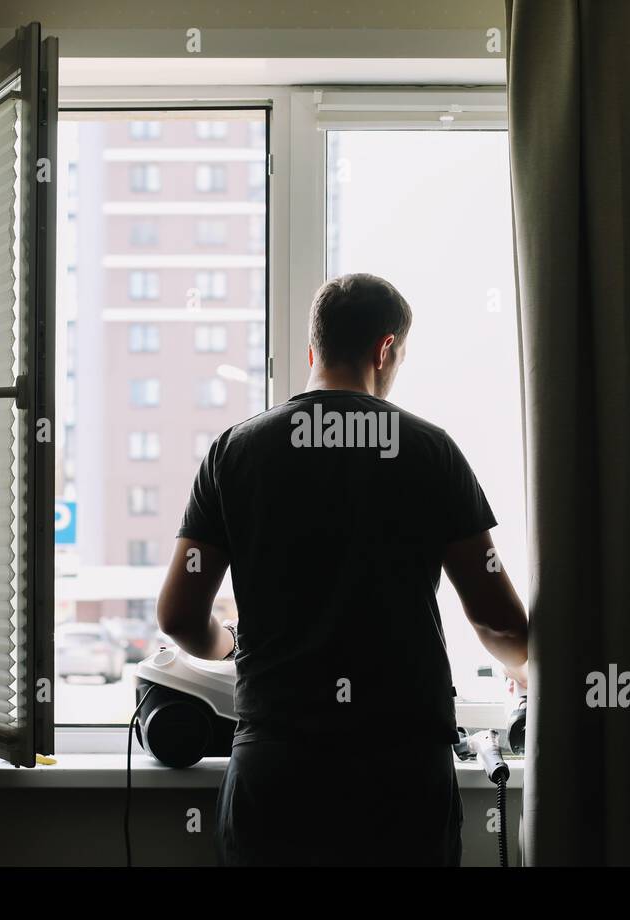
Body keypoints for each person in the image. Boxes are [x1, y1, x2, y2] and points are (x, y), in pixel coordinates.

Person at [156, 273, 529, 866]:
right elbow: (498, 620)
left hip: (278, 766)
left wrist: (230, 646)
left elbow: (177, 619)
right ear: (386, 349)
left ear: (312, 351)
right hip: (399, 771)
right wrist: (529, 677)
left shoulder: (235, 451)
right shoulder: (430, 451)